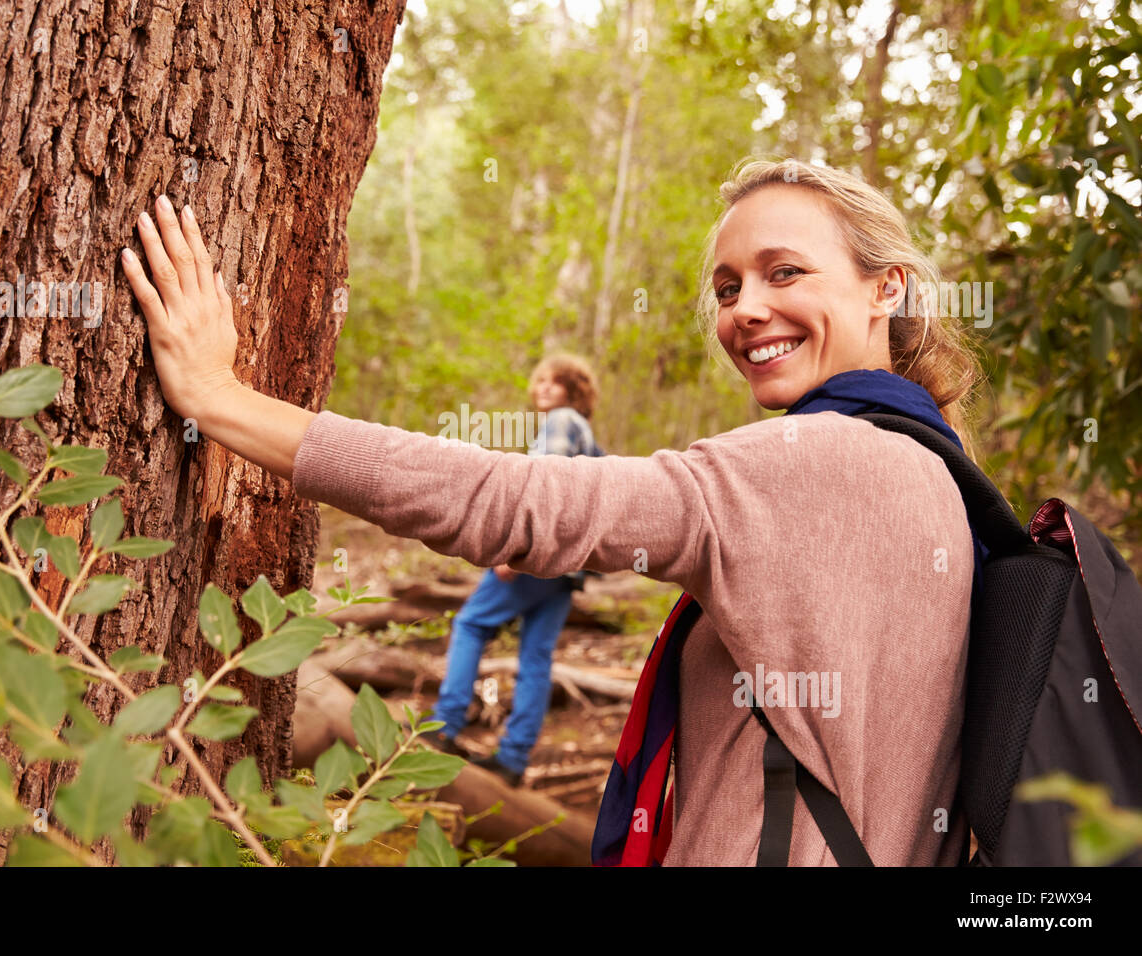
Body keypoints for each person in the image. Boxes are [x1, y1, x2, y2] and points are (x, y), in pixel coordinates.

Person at [120, 155, 982, 866]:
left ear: (886, 290)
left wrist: (218, 397)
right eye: (727, 287)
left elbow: (514, 505)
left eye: (784, 271)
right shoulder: (940, 472)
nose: (746, 308)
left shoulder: (819, 459)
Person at [421, 354, 606, 787]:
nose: (542, 388)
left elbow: (547, 482)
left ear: (571, 390)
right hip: (567, 563)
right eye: (538, 381)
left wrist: (514, 548)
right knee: (536, 656)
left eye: (554, 382)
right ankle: (514, 759)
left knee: (470, 624)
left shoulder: (561, 421)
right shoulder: (586, 432)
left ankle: (443, 727)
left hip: (537, 556)